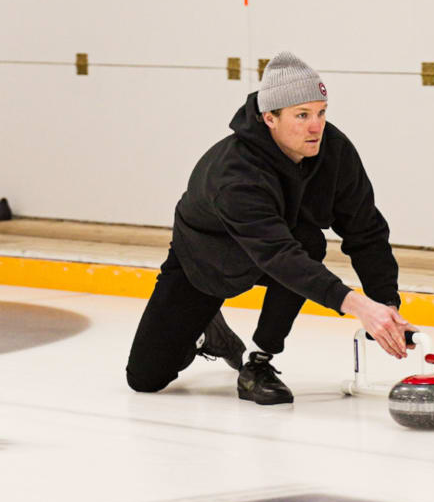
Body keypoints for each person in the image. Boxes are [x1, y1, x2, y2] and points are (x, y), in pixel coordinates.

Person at [126, 52, 415, 405]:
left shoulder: (334, 151)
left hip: (281, 248)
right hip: (206, 259)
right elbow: (279, 257)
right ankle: (208, 332)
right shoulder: (236, 174)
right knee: (146, 377)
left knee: (307, 243)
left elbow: (365, 229)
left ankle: (258, 363)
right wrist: (360, 307)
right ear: (270, 118)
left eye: (321, 112)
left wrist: (386, 303)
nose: (316, 126)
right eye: (302, 115)